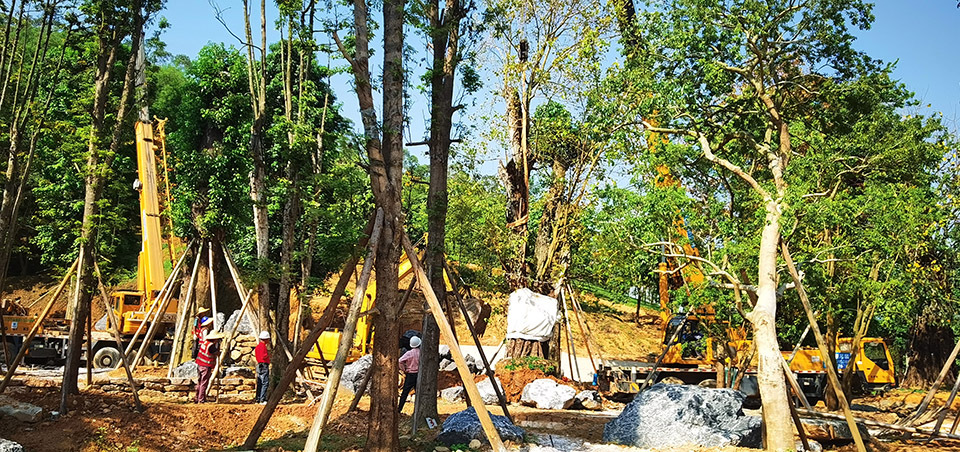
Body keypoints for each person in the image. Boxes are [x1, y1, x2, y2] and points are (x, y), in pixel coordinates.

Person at [195, 330, 222, 403]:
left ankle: (197, 398)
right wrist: (219, 352)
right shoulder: (211, 346)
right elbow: (216, 353)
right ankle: (201, 399)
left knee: (200, 382)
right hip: (206, 366)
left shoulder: (204, 343)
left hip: (200, 364)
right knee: (204, 383)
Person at [397, 335, 421, 413]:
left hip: (410, 375)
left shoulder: (409, 353)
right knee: (419, 393)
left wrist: (404, 369)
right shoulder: (422, 353)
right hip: (419, 375)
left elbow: (400, 361)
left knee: (405, 392)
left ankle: (399, 409)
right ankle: (418, 410)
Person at [255, 330, 270, 404]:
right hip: (264, 365)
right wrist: (269, 355)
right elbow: (263, 356)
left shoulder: (257, 347)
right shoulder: (263, 346)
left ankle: (257, 399)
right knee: (265, 382)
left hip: (259, 365)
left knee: (260, 382)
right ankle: (262, 399)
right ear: (266, 339)